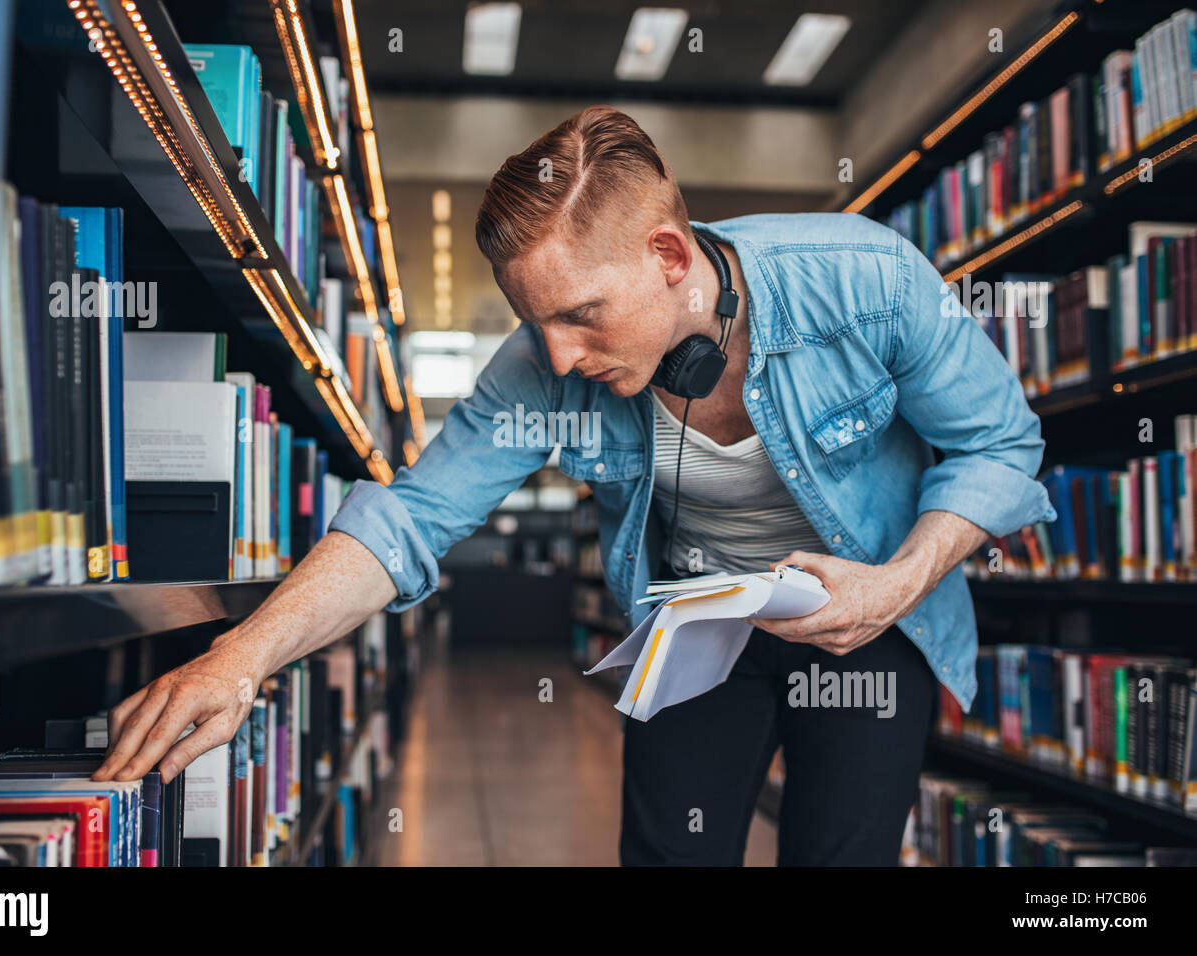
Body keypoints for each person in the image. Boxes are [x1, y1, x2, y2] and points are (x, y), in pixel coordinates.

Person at [93, 105, 1055, 866]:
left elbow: (1002, 446)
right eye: (535, 320)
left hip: (872, 613)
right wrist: (242, 656)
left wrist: (898, 580)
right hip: (699, 627)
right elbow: (412, 518)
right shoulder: (543, 365)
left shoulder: (869, 282)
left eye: (581, 314)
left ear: (670, 258)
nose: (557, 352)